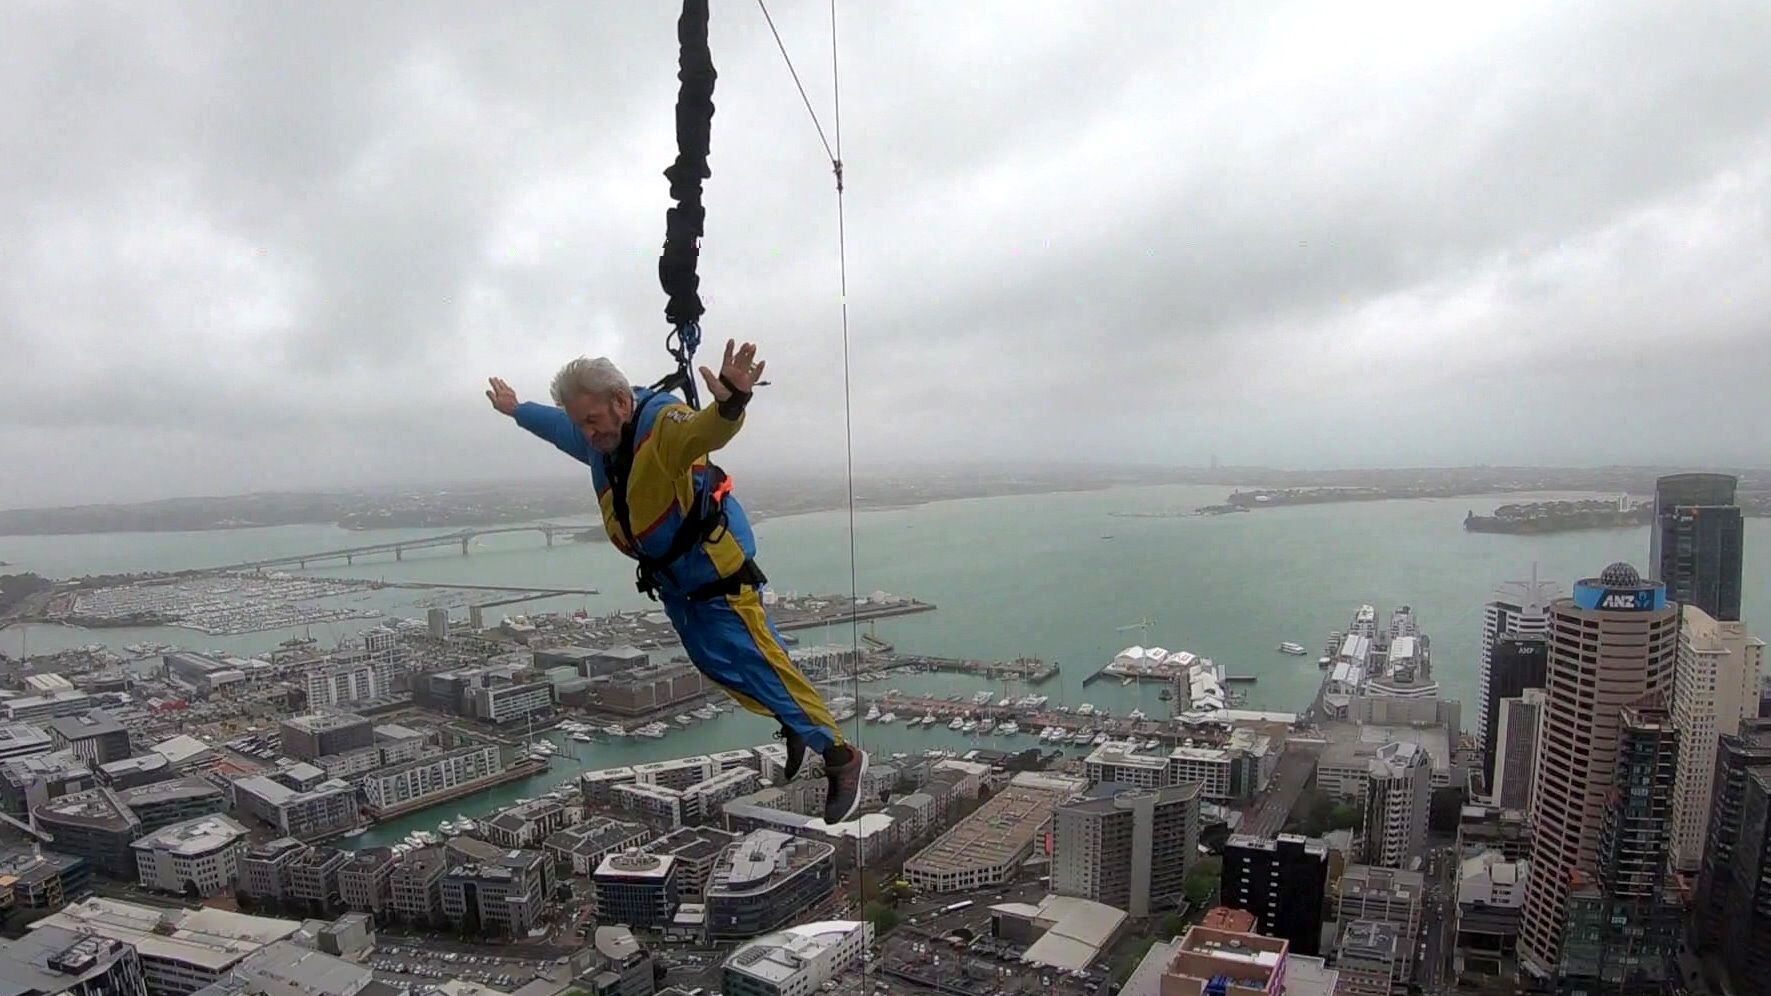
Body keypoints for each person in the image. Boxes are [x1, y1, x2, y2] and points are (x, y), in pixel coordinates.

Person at [485, 340, 866, 824]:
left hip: (718, 577)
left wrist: (732, 402)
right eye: (582, 423)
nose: (586, 432)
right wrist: (516, 409)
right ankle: (794, 722)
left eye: (592, 420)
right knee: (717, 666)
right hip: (678, 584)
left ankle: (840, 756)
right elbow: (557, 427)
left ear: (620, 402)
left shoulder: (663, 427)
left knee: (761, 662)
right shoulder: (600, 437)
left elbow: (706, 430)